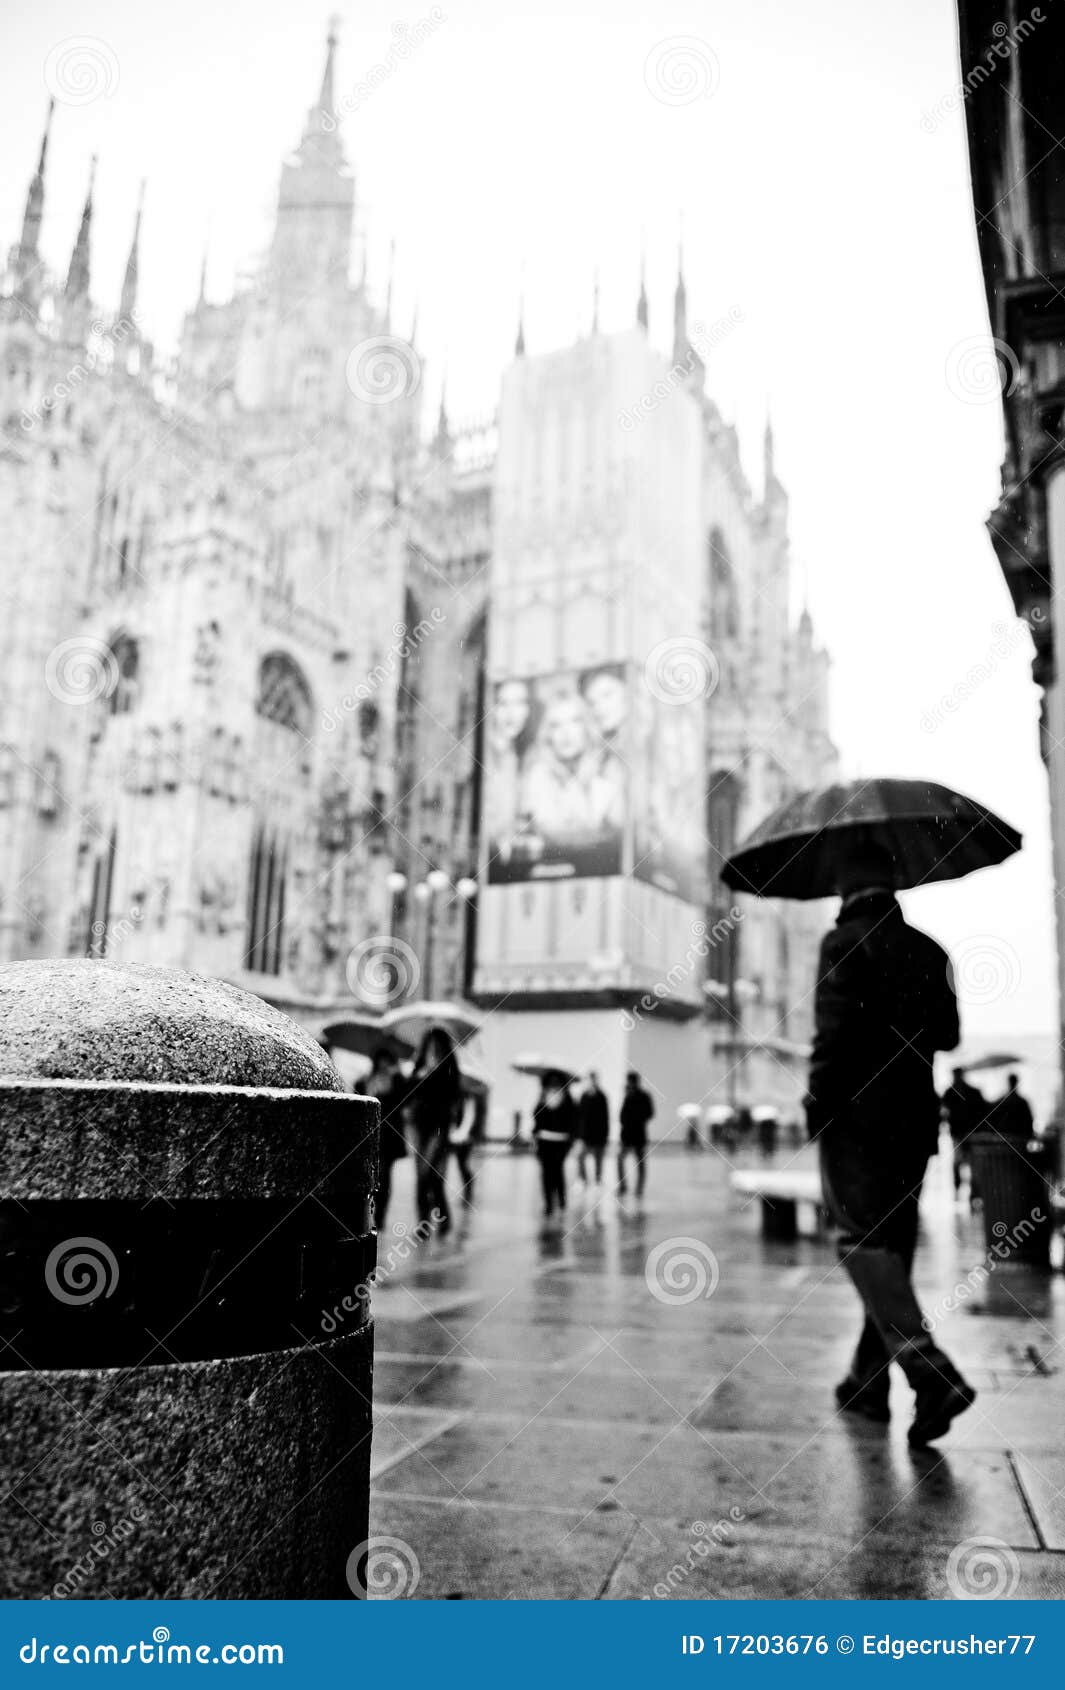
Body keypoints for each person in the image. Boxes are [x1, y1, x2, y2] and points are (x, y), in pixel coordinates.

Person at [806, 840, 975, 1447]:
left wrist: (817, 1107)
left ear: (844, 888)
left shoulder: (842, 943)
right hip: (915, 1122)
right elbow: (949, 1035)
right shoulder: (929, 949)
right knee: (890, 1253)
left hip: (857, 1122)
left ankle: (932, 1376)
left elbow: (833, 1039)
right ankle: (867, 1384)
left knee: (861, 1243)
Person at [405, 1026, 464, 1232]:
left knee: (428, 1175)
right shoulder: (419, 1067)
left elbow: (454, 1097)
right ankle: (425, 1223)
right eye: (429, 1046)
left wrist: (431, 1075)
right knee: (425, 1176)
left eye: (435, 1046)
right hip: (420, 1126)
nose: (432, 1050)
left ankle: (440, 1218)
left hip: (439, 1127)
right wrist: (419, 1076)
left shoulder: (448, 1069)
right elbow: (408, 1095)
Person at [363, 1047, 408, 1233]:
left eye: (386, 1060)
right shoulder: (366, 1079)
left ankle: (380, 1216)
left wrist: (396, 1078)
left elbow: (403, 1101)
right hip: (372, 1135)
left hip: (390, 1135)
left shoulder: (397, 1080)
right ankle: (373, 1212)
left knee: (384, 1176)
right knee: (372, 1176)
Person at [533, 1071, 577, 1217]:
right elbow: (536, 1119)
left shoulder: (568, 1100)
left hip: (560, 1142)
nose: (553, 1087)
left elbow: (573, 1122)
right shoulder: (542, 1099)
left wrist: (570, 1141)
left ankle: (561, 1200)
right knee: (547, 1173)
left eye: (556, 1084)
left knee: (557, 1172)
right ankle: (549, 1203)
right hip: (544, 1141)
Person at [941, 1067, 987, 1195]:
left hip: (961, 1133)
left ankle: (964, 1189)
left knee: (962, 1162)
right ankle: (973, 1191)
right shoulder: (968, 1092)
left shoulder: (950, 1092)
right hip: (966, 1133)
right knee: (969, 1162)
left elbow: (945, 1112)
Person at [618, 1071, 654, 1197]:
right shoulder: (628, 1095)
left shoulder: (644, 1096)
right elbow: (623, 1114)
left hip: (638, 1134)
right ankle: (623, 1186)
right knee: (620, 1159)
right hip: (627, 1135)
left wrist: (635, 1118)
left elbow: (650, 1113)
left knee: (640, 1162)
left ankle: (639, 1188)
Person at [576, 1071, 610, 1184]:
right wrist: (579, 1134)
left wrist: (606, 1135)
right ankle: (583, 1179)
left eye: (593, 1079)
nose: (592, 1082)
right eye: (590, 1080)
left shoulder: (602, 1096)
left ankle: (598, 1180)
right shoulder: (584, 1096)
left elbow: (606, 1118)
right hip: (586, 1135)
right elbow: (579, 1116)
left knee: (598, 1160)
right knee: (580, 1156)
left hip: (599, 1135)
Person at [989, 1071, 1035, 1141]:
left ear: (1008, 1082)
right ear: (1017, 1083)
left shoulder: (1001, 1101)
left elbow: (993, 1120)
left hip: (1002, 1139)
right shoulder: (1022, 1102)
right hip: (1019, 1139)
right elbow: (1029, 1122)